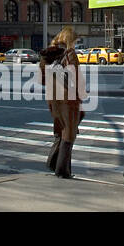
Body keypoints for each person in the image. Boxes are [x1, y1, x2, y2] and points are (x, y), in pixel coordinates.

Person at [40, 26, 84, 179]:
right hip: (68, 98)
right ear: (69, 39)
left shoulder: (48, 54)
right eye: (75, 40)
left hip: (53, 98)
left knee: (61, 132)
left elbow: (42, 79)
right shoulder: (69, 54)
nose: (76, 42)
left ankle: (55, 164)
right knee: (69, 134)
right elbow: (76, 77)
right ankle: (62, 170)